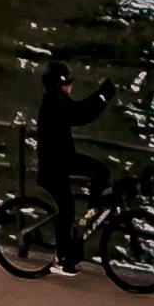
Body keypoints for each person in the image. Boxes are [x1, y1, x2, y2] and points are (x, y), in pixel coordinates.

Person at [33, 55, 105, 274]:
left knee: (101, 171)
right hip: (54, 166)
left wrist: (100, 97)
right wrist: (101, 96)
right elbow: (79, 114)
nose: (70, 86)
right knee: (66, 210)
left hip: (63, 160)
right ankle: (61, 259)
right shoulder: (54, 103)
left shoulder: (58, 100)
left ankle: (93, 208)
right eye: (66, 83)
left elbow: (79, 111)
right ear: (57, 85)